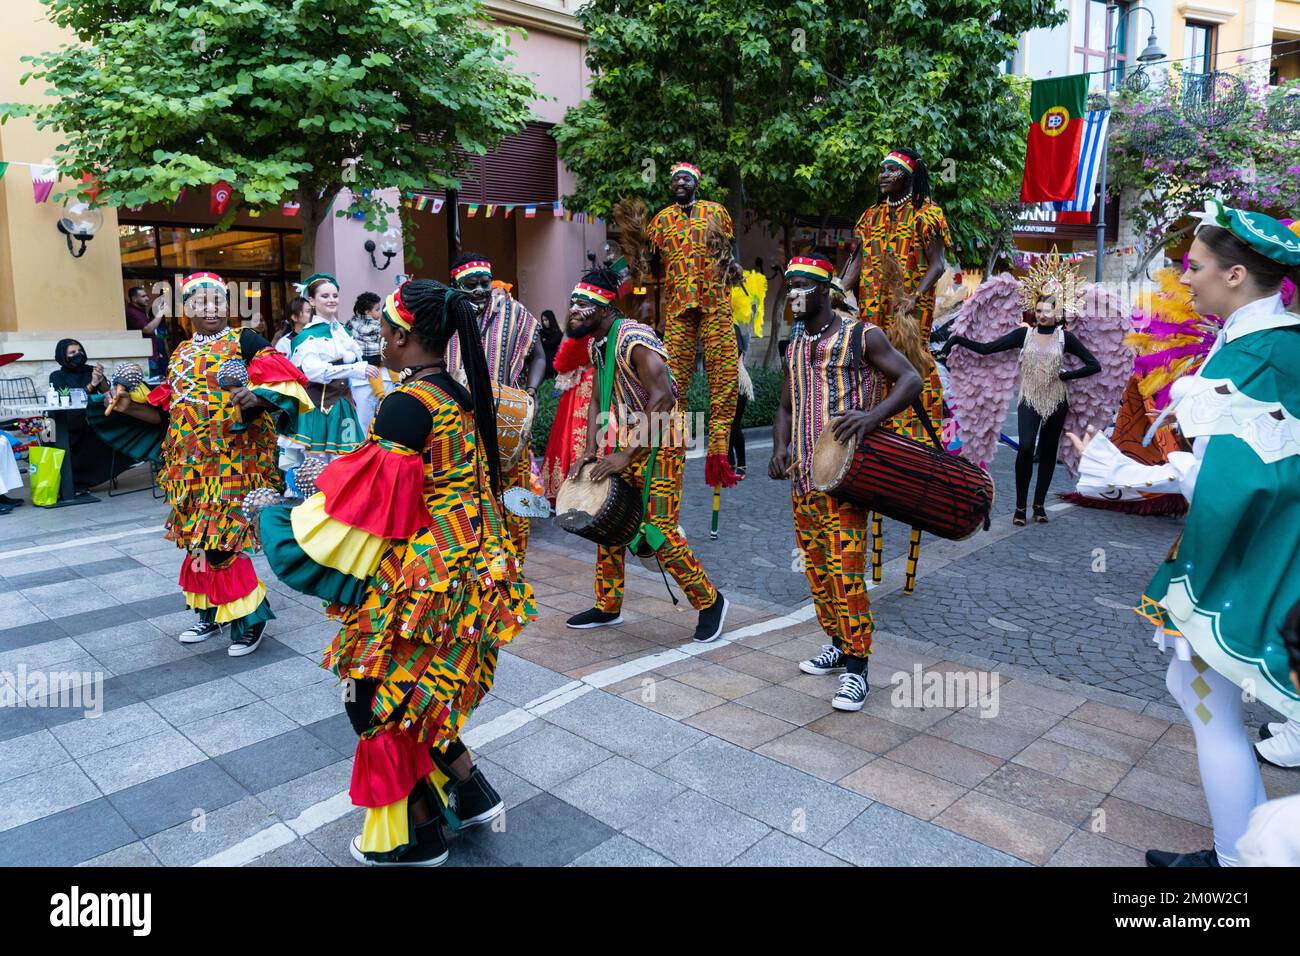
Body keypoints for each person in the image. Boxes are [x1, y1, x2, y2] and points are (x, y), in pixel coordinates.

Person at [257, 279, 535, 866]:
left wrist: (285, 516)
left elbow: (373, 502)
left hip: (431, 575)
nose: (375, 339)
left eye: (381, 331)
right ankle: (473, 792)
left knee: (373, 699)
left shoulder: (406, 404)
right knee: (419, 695)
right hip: (476, 569)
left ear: (403, 337)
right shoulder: (457, 392)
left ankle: (417, 835)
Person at [1068, 201, 1300, 867]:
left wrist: (1137, 475)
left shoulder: (1258, 354)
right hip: (1265, 544)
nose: (1184, 278)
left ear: (1234, 275)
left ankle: (1239, 861)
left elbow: (1242, 480)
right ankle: (1246, 849)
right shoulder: (1268, 341)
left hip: (1252, 550)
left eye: (1193, 267)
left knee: (1203, 697)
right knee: (1196, 690)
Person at [90, 272, 311, 656]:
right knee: (196, 541)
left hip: (235, 462)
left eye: (218, 301)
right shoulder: (179, 354)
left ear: (229, 305)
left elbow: (288, 382)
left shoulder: (245, 341)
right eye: (200, 302)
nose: (210, 308)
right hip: (187, 467)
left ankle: (250, 620)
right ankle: (208, 611)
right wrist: (126, 405)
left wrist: (254, 397)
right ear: (186, 309)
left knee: (225, 541)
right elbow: (164, 414)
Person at [770, 256, 922, 711]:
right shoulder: (795, 344)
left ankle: (858, 670)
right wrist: (780, 447)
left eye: (801, 286)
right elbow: (784, 406)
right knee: (817, 571)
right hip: (802, 479)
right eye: (789, 285)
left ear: (824, 291)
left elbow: (911, 379)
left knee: (846, 573)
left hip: (845, 479)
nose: (793, 293)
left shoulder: (861, 335)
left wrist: (872, 418)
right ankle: (838, 643)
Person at [562, 267, 730, 644]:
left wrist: (626, 455)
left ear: (606, 308)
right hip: (626, 439)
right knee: (606, 518)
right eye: (573, 301)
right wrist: (590, 449)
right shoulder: (597, 344)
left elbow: (665, 399)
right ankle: (608, 605)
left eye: (584, 303)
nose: (574, 308)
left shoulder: (634, 338)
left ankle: (710, 602)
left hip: (663, 439)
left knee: (658, 529)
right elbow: (596, 399)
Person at [940, 289, 1101, 525]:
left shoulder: (1066, 339)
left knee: (1047, 452)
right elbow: (987, 349)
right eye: (1038, 311)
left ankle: (1039, 505)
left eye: (1048, 311)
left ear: (1057, 314)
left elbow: (1093, 365)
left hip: (1057, 400)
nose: (1042, 315)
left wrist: (1066, 375)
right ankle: (1020, 506)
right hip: (1029, 399)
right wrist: (957, 340)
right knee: (1025, 447)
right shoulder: (1023, 335)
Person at [644, 161, 741, 488]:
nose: (680, 183)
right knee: (673, 379)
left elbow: (730, 250)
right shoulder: (661, 221)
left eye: (686, 178)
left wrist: (733, 268)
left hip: (714, 300)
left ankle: (718, 455)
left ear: (696, 182)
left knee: (724, 375)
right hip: (679, 305)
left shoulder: (716, 212)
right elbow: (652, 264)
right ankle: (675, 447)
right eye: (676, 179)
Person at [444, 253, 545, 560]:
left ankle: (516, 567)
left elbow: (538, 355)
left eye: (484, 283)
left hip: (508, 423)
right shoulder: (445, 316)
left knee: (516, 500)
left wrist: (530, 392)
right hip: (461, 424)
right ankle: (483, 568)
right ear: (456, 284)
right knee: (470, 501)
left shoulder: (515, 312)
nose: (478, 290)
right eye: (470, 284)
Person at [283, 274, 377, 460]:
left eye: (335, 295)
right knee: (317, 468)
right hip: (319, 408)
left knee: (345, 463)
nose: (332, 300)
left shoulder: (342, 331)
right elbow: (314, 372)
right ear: (311, 300)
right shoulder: (307, 336)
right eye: (325, 296)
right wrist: (355, 369)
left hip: (344, 406)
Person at [48, 339, 131, 493]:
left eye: (79, 351)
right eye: (72, 352)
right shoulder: (57, 376)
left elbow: (106, 392)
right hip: (67, 419)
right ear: (63, 356)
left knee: (113, 424)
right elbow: (68, 400)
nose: (77, 354)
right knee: (67, 433)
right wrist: (91, 384)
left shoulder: (91, 371)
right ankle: (74, 482)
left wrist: (100, 380)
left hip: (91, 418)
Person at [540, 329, 595, 502]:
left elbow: (564, 365)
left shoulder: (587, 336)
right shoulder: (594, 336)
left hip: (585, 386)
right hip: (584, 385)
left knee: (576, 432)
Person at [346, 291, 384, 435]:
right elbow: (382, 342)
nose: (379, 312)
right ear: (368, 311)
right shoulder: (378, 325)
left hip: (360, 361)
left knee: (363, 421)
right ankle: (382, 394)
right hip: (375, 358)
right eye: (377, 309)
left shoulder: (351, 322)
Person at [125, 286, 167, 378]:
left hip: (151, 355)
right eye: (143, 296)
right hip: (145, 357)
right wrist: (160, 312)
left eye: (147, 296)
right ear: (134, 299)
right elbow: (147, 329)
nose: (147, 298)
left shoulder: (140, 311)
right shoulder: (132, 312)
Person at [538, 309, 563, 380]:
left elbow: (551, 344)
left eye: (546, 320)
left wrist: (545, 341)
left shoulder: (557, 333)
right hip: (542, 363)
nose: (544, 322)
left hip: (553, 365)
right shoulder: (541, 332)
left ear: (551, 319)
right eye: (543, 320)